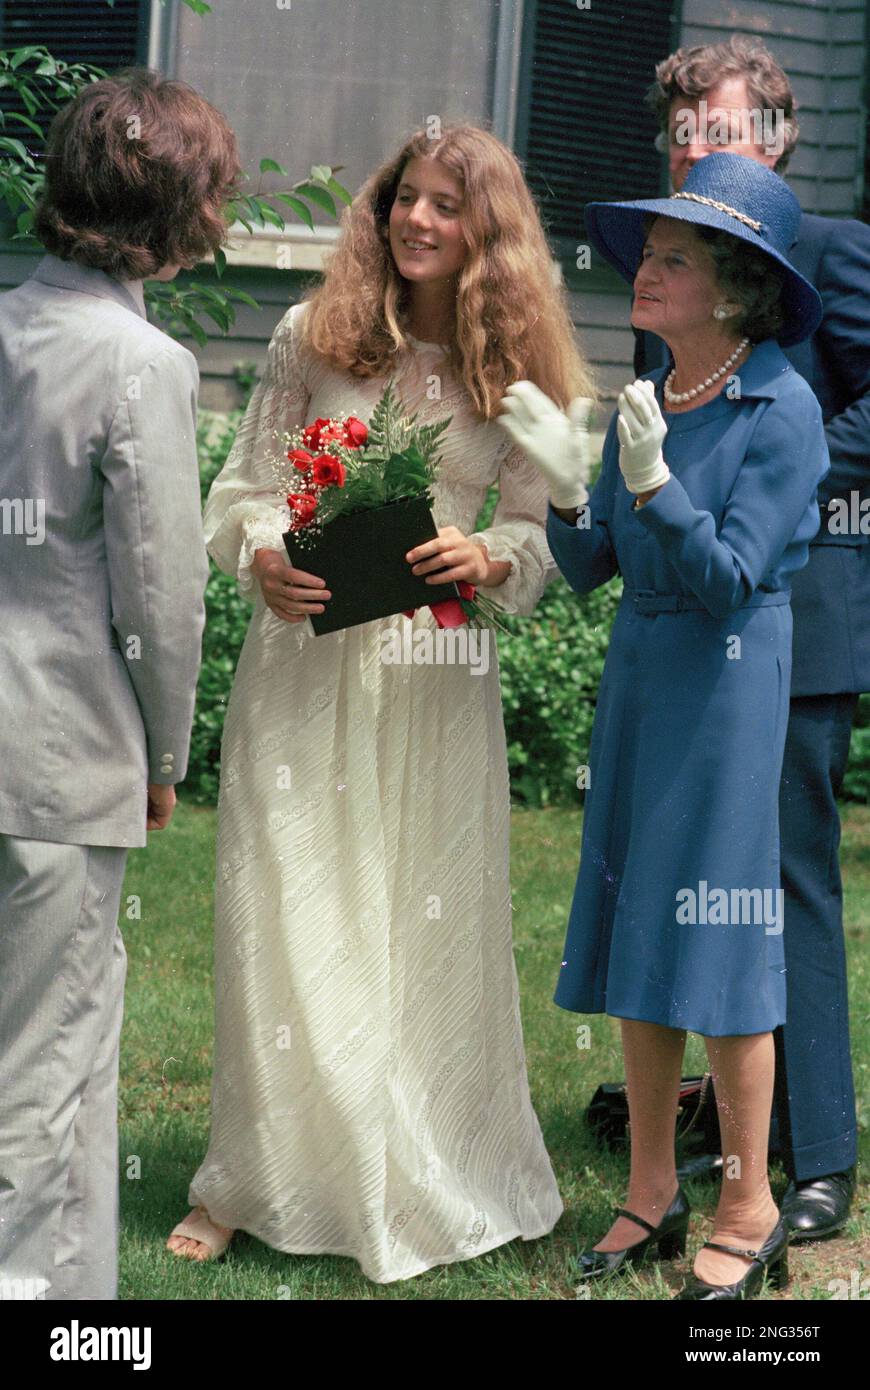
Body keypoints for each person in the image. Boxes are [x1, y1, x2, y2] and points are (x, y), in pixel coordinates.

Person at [166, 123, 593, 1283]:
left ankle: (422, 1159)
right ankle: (248, 1176)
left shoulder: (519, 373)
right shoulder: (315, 334)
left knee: (421, 922)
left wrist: (493, 558)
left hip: (435, 685)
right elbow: (240, 490)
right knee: (283, 913)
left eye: (449, 206)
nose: (418, 221)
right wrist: (260, 550)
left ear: (488, 230)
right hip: (304, 668)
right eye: (408, 198)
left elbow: (540, 535)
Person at [498, 152, 828, 1300]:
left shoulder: (780, 404)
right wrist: (576, 489)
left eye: (673, 259)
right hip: (642, 679)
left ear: (736, 288)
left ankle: (749, 1198)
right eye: (647, 254)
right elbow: (593, 568)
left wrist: (652, 486)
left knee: (724, 949)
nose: (645, 271)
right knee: (643, 925)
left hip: (727, 688)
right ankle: (651, 1188)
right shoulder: (655, 391)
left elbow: (733, 576)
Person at [0, 68, 238, 1299]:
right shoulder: (144, 361)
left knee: (69, 1058)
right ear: (176, 211)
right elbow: (161, 600)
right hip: (61, 753)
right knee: (41, 1073)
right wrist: (164, 755)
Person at [638, 34, 868, 1239]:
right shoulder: (668, 277)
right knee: (699, 875)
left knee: (788, 875)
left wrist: (784, 459)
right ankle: (726, 1125)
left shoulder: (826, 252)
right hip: (693, 623)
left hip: (806, 607)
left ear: (773, 140)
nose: (695, 147)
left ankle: (820, 1152)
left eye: (718, 131)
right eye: (681, 131)